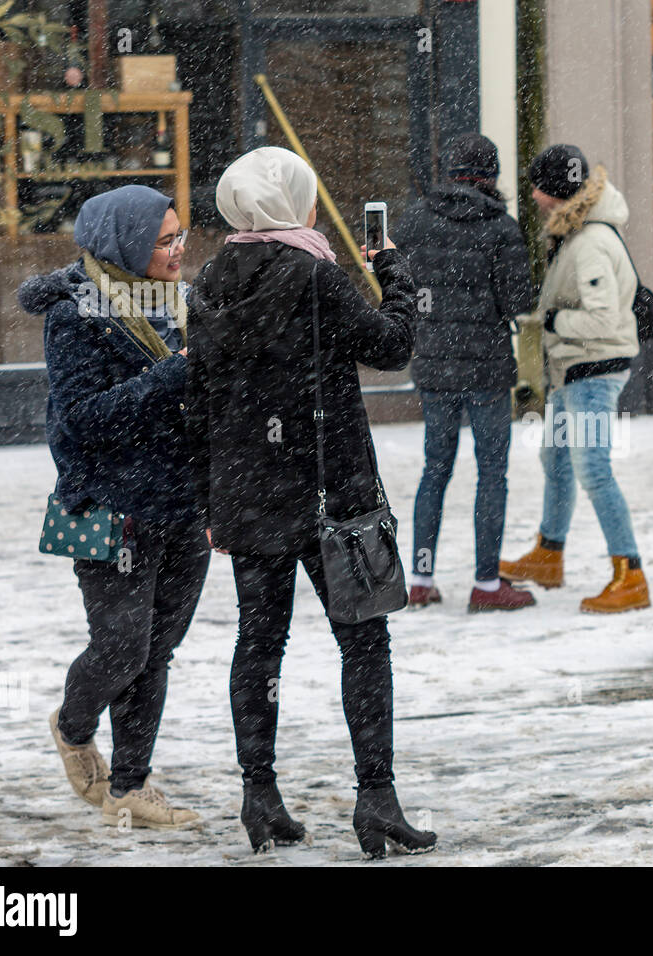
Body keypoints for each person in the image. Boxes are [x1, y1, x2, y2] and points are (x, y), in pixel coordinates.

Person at [185, 146, 435, 858]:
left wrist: (213, 502)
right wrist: (392, 270)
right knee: (363, 641)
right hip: (332, 493)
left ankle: (259, 794)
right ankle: (376, 797)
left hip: (250, 495)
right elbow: (391, 346)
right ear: (289, 202)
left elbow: (197, 404)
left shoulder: (208, 283)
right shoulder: (317, 276)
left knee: (260, 644)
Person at [18, 184, 208, 828]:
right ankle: (73, 726)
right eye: (165, 240)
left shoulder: (186, 304)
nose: (179, 249)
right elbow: (83, 419)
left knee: (159, 649)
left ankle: (130, 784)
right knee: (123, 646)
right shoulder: (76, 314)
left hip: (184, 504)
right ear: (126, 244)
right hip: (113, 506)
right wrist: (173, 374)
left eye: (181, 235)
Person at [498, 145, 650, 613]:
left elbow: (604, 320)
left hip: (593, 371)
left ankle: (631, 573)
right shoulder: (576, 233)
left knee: (593, 469)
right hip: (574, 369)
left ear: (555, 192)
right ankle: (549, 552)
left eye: (539, 189)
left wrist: (554, 323)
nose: (535, 198)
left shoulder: (588, 243)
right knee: (557, 459)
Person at [390, 133, 536, 612]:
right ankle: (487, 585)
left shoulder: (413, 221)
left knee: (436, 470)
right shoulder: (502, 227)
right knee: (492, 474)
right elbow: (518, 302)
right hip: (488, 368)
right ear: (491, 175)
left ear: (448, 171)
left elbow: (395, 284)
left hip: (434, 363)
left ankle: (421, 578)